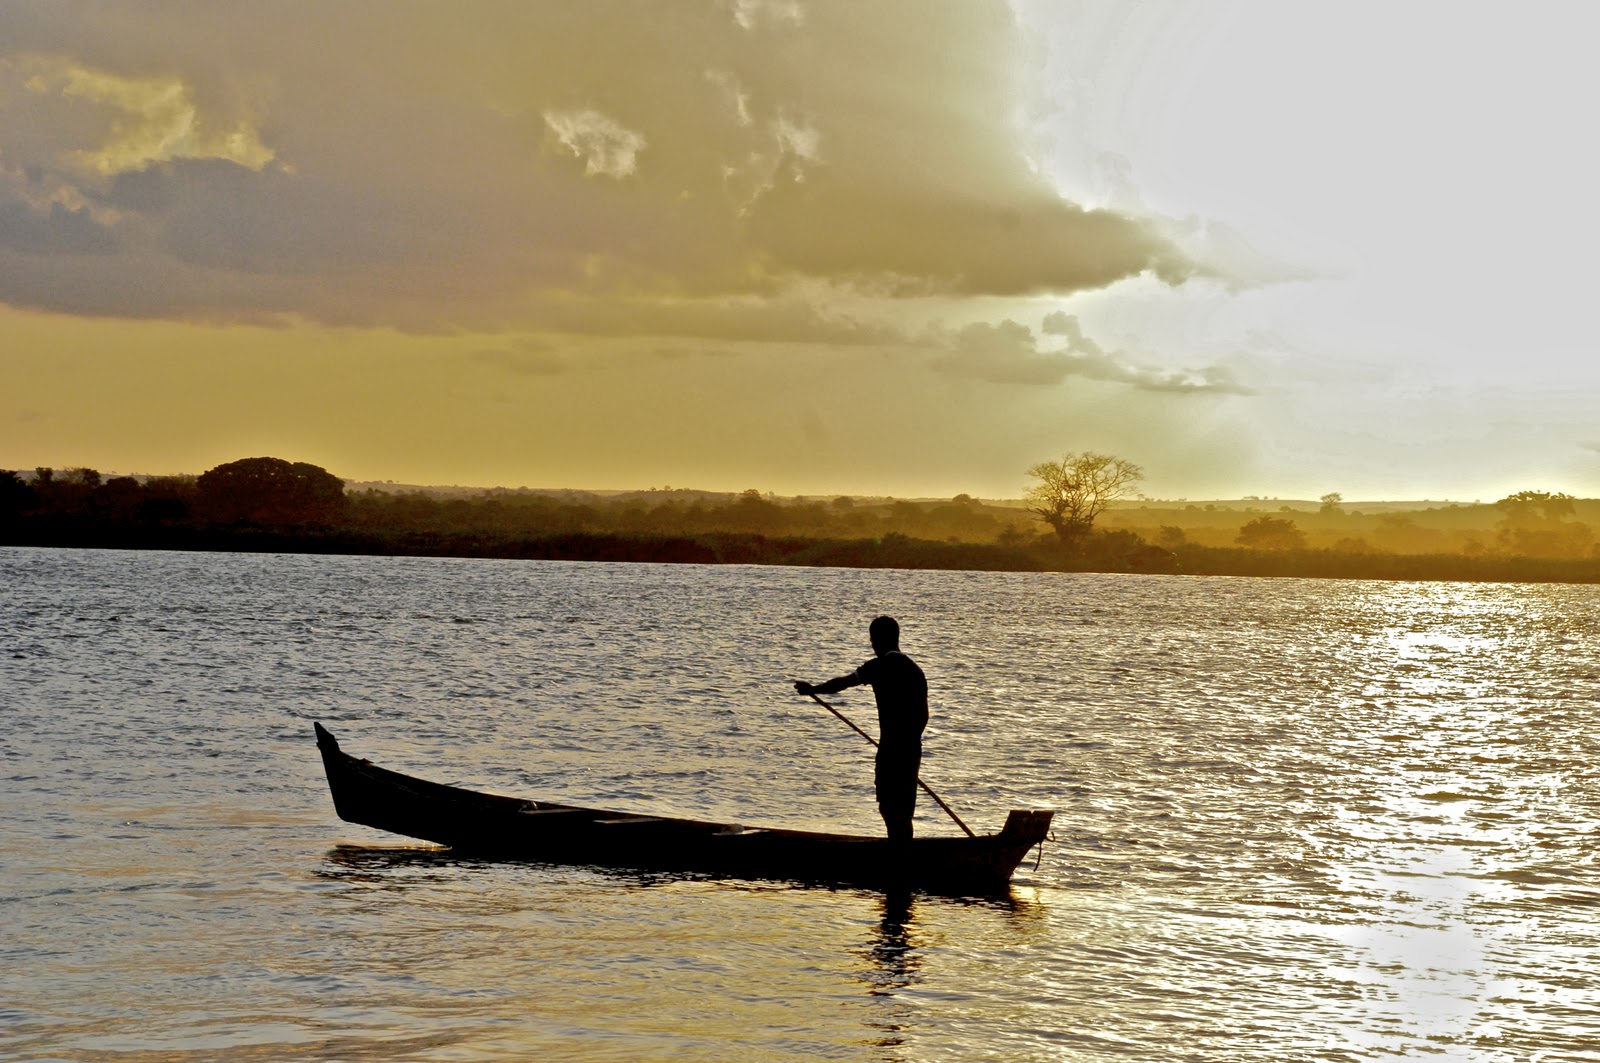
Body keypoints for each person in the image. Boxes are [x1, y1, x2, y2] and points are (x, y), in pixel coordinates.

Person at [794, 616, 928, 841]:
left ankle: (900, 856)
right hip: (912, 750)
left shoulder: (879, 666)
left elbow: (843, 683)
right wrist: (909, 740)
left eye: (873, 639)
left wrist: (813, 689)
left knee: (889, 806)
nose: (872, 644)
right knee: (903, 810)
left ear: (878, 640)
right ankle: (903, 852)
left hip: (890, 750)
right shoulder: (915, 670)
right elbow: (924, 717)